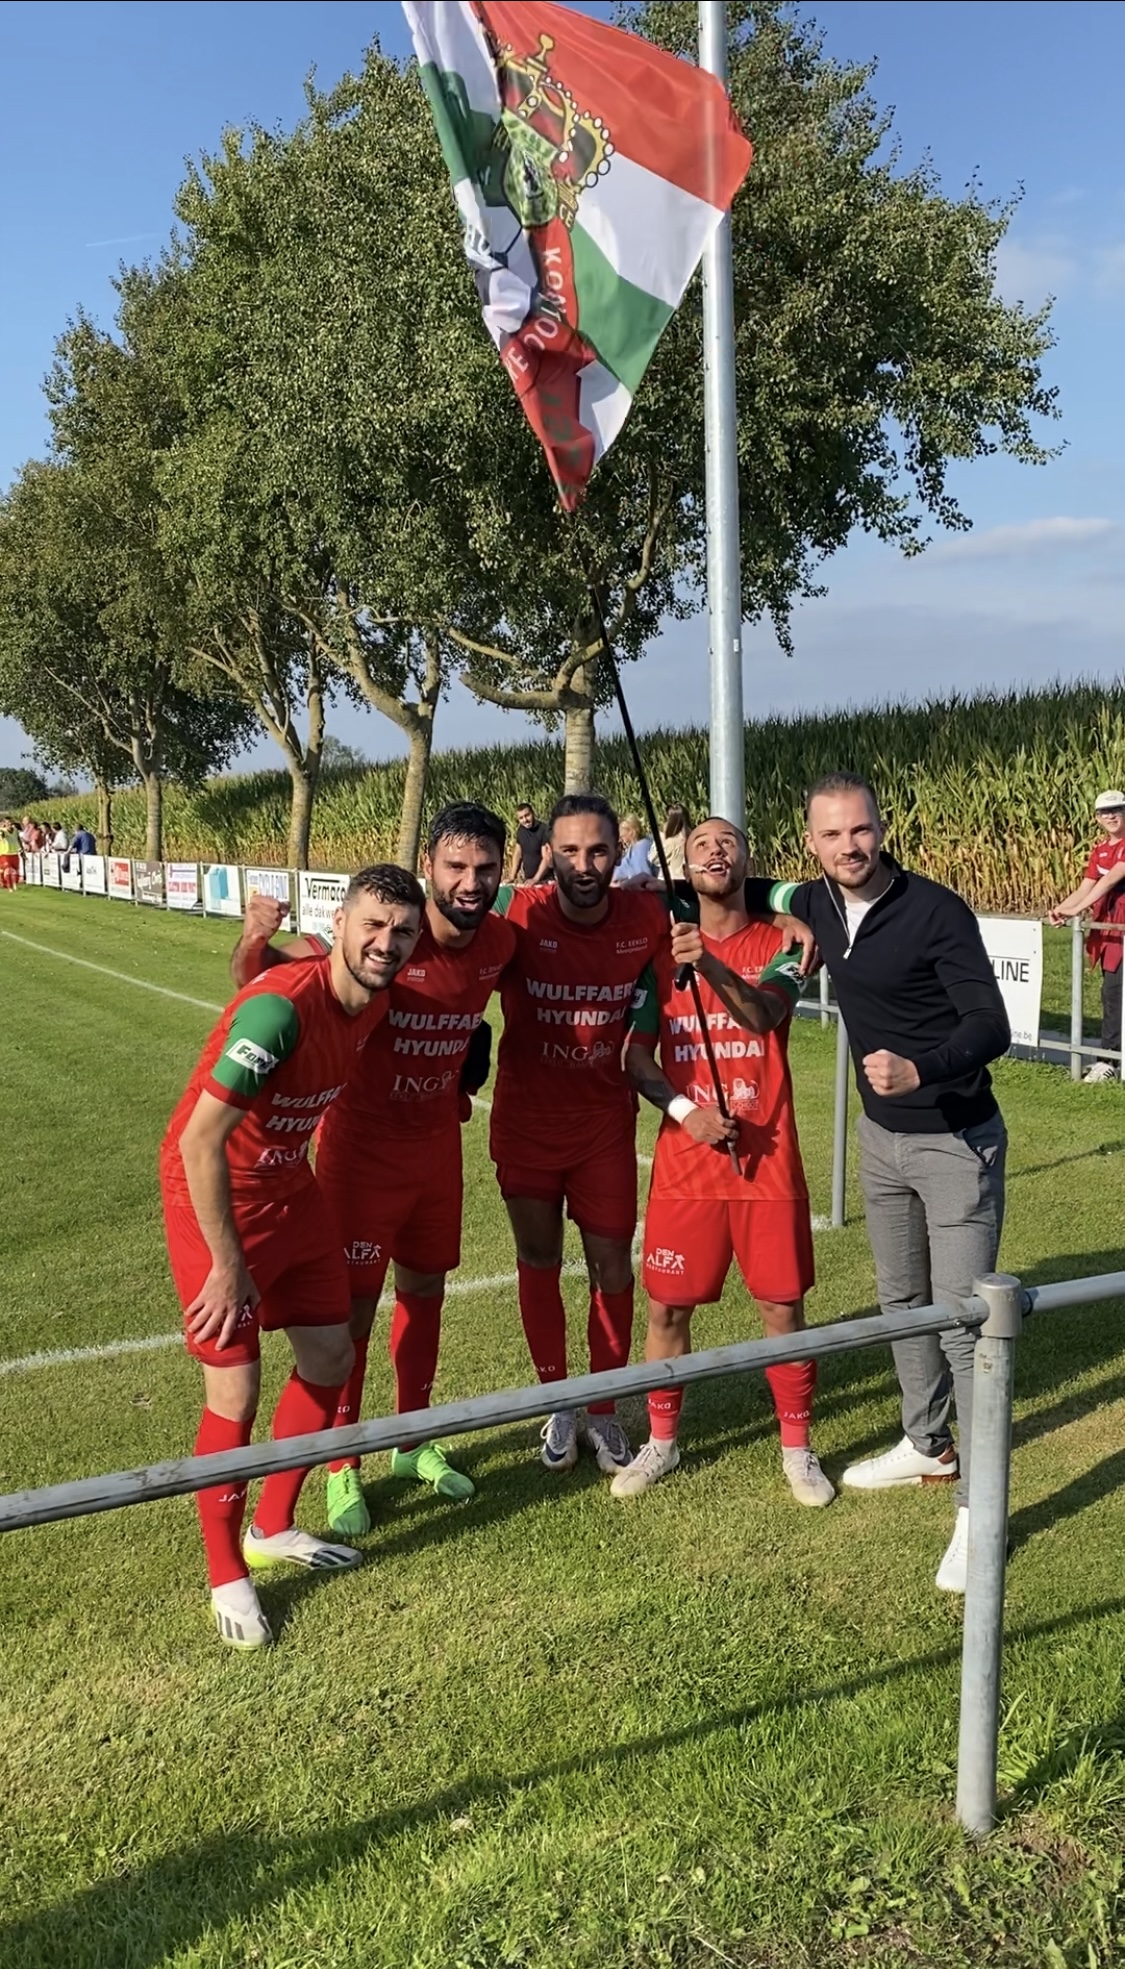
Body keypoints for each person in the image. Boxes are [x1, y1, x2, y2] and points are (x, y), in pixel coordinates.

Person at [753, 772, 1010, 1593]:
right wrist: (723, 890)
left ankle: (981, 1511)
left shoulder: (935, 911)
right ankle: (926, 1444)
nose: (848, 847)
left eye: (859, 831)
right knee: (901, 1300)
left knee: (966, 1323)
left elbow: (989, 1026)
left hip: (953, 1141)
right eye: (830, 836)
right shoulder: (818, 903)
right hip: (880, 1142)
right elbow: (750, 886)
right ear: (811, 843)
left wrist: (919, 1067)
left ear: (880, 826)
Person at [231, 804, 517, 1534]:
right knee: (350, 1317)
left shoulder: (503, 941)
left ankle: (410, 1440)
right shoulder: (384, 938)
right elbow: (265, 979)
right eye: (455, 866)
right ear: (429, 865)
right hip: (359, 1154)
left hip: (435, 1152)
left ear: (502, 869)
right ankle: (340, 1462)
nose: (470, 880)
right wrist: (254, 935)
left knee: (426, 1294)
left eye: (484, 867)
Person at [161, 863, 424, 1650]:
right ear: (337, 923)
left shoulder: (373, 1003)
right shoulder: (282, 1011)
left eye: (402, 930)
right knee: (235, 1389)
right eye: (372, 924)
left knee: (330, 1356)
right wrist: (225, 1261)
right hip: (213, 1196)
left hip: (291, 1187)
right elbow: (198, 1139)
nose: (386, 942)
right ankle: (224, 1569)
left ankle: (271, 1524)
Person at [616, 817, 834, 1507]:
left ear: (748, 860)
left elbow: (762, 1016)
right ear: (683, 863)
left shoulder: (787, 941)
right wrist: (686, 1114)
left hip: (766, 1165)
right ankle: (661, 1440)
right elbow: (634, 1056)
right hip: (686, 1167)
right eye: (702, 843)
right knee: (666, 1311)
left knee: (781, 1307)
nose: (715, 849)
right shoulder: (658, 953)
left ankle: (797, 1449)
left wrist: (708, 959)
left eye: (729, 841)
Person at [1048, 789, 1125, 1082]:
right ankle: (1110, 1058)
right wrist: (1061, 909)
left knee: (1117, 993)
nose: (1111, 816)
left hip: (1121, 927)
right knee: (1112, 993)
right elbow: (1087, 886)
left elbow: (1109, 882)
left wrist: (1075, 911)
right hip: (1110, 930)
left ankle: (1110, 1057)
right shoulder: (1100, 850)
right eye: (1105, 812)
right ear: (1096, 817)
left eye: (1117, 809)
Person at [506, 803, 552, 886]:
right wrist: (512, 877)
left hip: (545, 881)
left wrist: (535, 879)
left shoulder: (543, 829)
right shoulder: (520, 831)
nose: (525, 820)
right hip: (528, 881)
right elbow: (517, 854)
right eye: (521, 818)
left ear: (533, 813)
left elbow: (547, 858)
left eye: (527, 815)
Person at [651, 804, 691, 882]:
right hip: (688, 882)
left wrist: (662, 836)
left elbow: (653, 858)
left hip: (673, 882)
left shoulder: (672, 842)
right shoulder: (692, 837)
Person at [613, 813, 656, 885]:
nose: (620, 835)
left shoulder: (640, 848)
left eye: (621, 830)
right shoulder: (634, 846)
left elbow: (642, 875)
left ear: (630, 831)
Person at [0, 816, 21, 890]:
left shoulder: (15, 830)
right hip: (5, 853)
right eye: (8, 822)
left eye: (11, 822)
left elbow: (18, 839)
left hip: (14, 853)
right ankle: (9, 886)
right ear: (5, 823)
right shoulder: (2, 831)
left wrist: (21, 849)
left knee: (15, 870)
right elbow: (2, 836)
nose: (10, 823)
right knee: (8, 870)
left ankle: (14, 883)